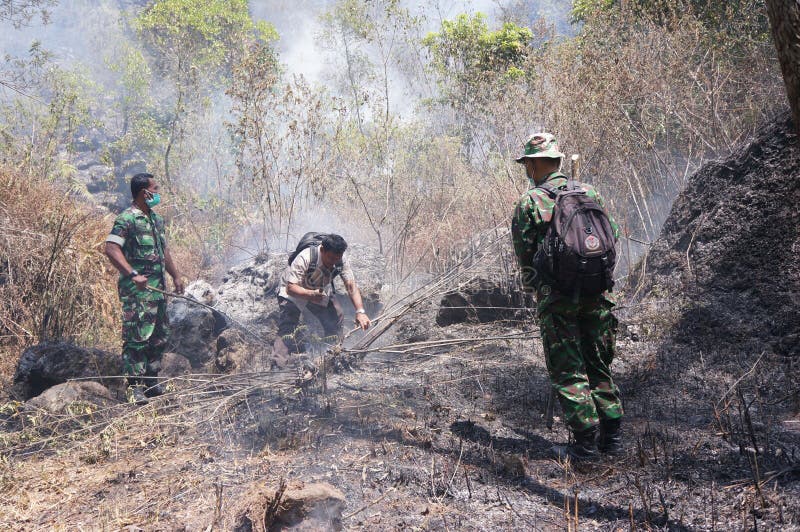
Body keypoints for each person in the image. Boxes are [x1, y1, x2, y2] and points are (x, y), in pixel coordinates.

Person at [511, 133, 624, 461]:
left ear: (533, 164)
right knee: (599, 363)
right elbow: (612, 236)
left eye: (527, 164)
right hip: (598, 293)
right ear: (557, 160)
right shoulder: (589, 192)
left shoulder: (530, 202)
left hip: (558, 300)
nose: (526, 169)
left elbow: (526, 259)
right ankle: (612, 440)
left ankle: (585, 448)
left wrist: (540, 293)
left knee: (568, 370)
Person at [105, 173, 184, 404]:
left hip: (158, 291)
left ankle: (150, 382)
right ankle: (134, 388)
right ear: (144, 193)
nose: (158, 193)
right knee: (137, 338)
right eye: (155, 189)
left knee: (159, 336)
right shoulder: (126, 219)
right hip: (137, 293)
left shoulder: (156, 220)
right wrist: (133, 274)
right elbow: (111, 248)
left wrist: (176, 275)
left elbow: (163, 250)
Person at [273, 234, 371, 362]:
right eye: (330, 258)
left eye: (337, 258)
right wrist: (310, 294)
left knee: (336, 316)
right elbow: (290, 288)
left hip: (318, 288)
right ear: (322, 250)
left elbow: (351, 286)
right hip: (294, 289)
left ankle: (331, 355)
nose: (333, 262)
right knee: (288, 325)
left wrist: (360, 311)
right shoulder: (306, 257)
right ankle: (278, 365)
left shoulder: (340, 260)